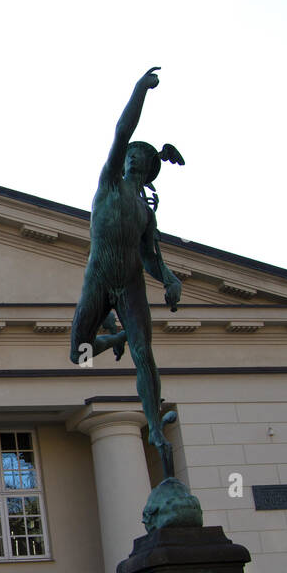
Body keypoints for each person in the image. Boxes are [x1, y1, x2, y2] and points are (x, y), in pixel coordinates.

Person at [69, 66, 185, 476]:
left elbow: (152, 256)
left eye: (140, 154)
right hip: (100, 277)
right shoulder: (109, 184)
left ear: (148, 167)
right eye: (132, 152)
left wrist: (169, 279)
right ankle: (116, 333)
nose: (132, 154)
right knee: (78, 351)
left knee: (144, 356)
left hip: (131, 280)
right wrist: (140, 90)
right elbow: (122, 129)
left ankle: (155, 427)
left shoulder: (144, 212)